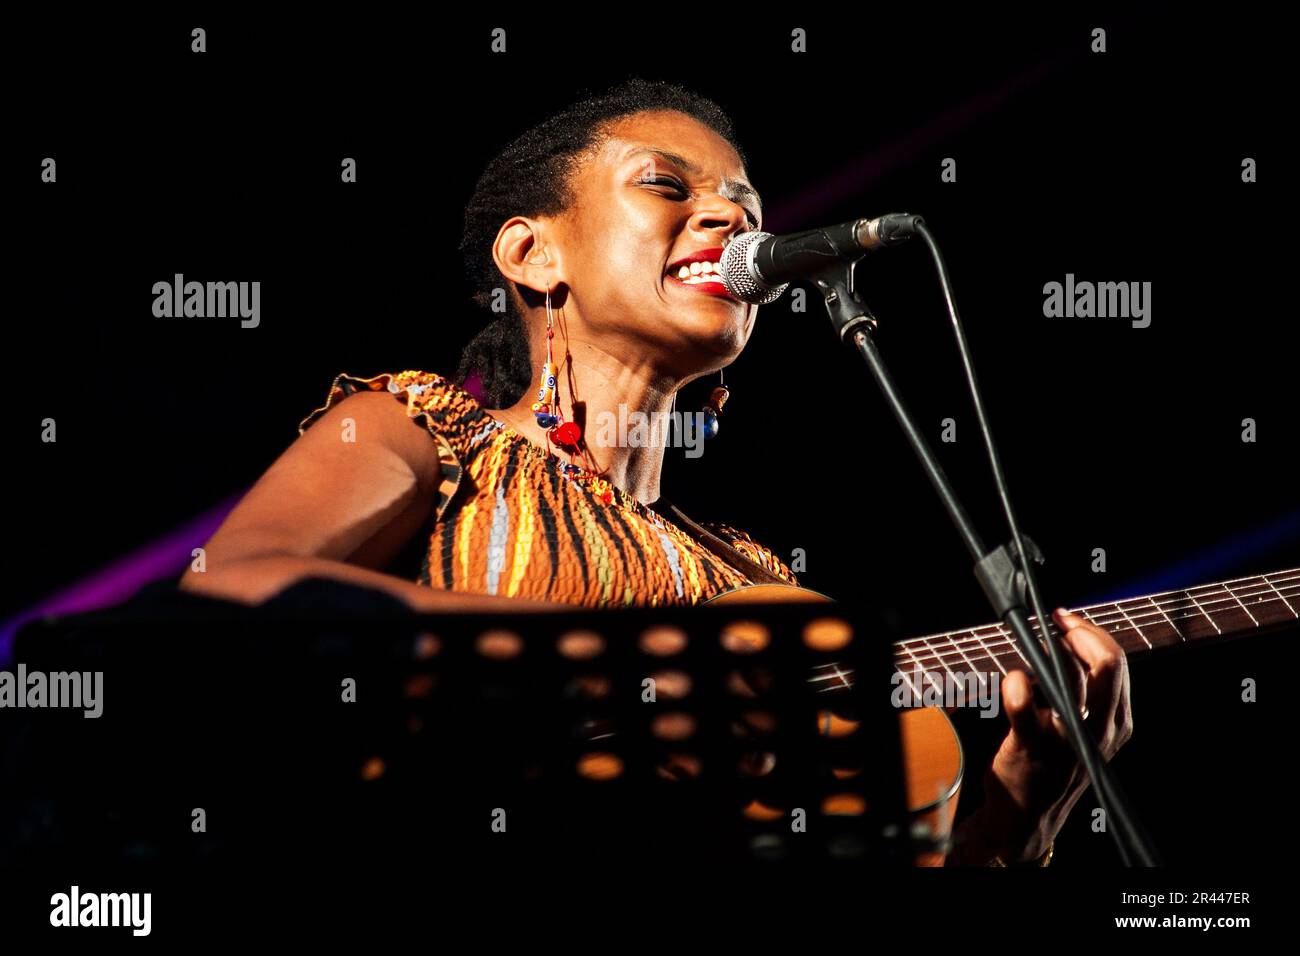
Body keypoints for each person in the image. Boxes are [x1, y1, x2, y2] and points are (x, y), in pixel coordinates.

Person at [179, 77, 1131, 865]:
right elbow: (226, 601)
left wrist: (1024, 798)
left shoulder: (756, 582)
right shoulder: (428, 434)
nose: (729, 214)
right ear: (532, 251)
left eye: (746, 206)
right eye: (667, 186)